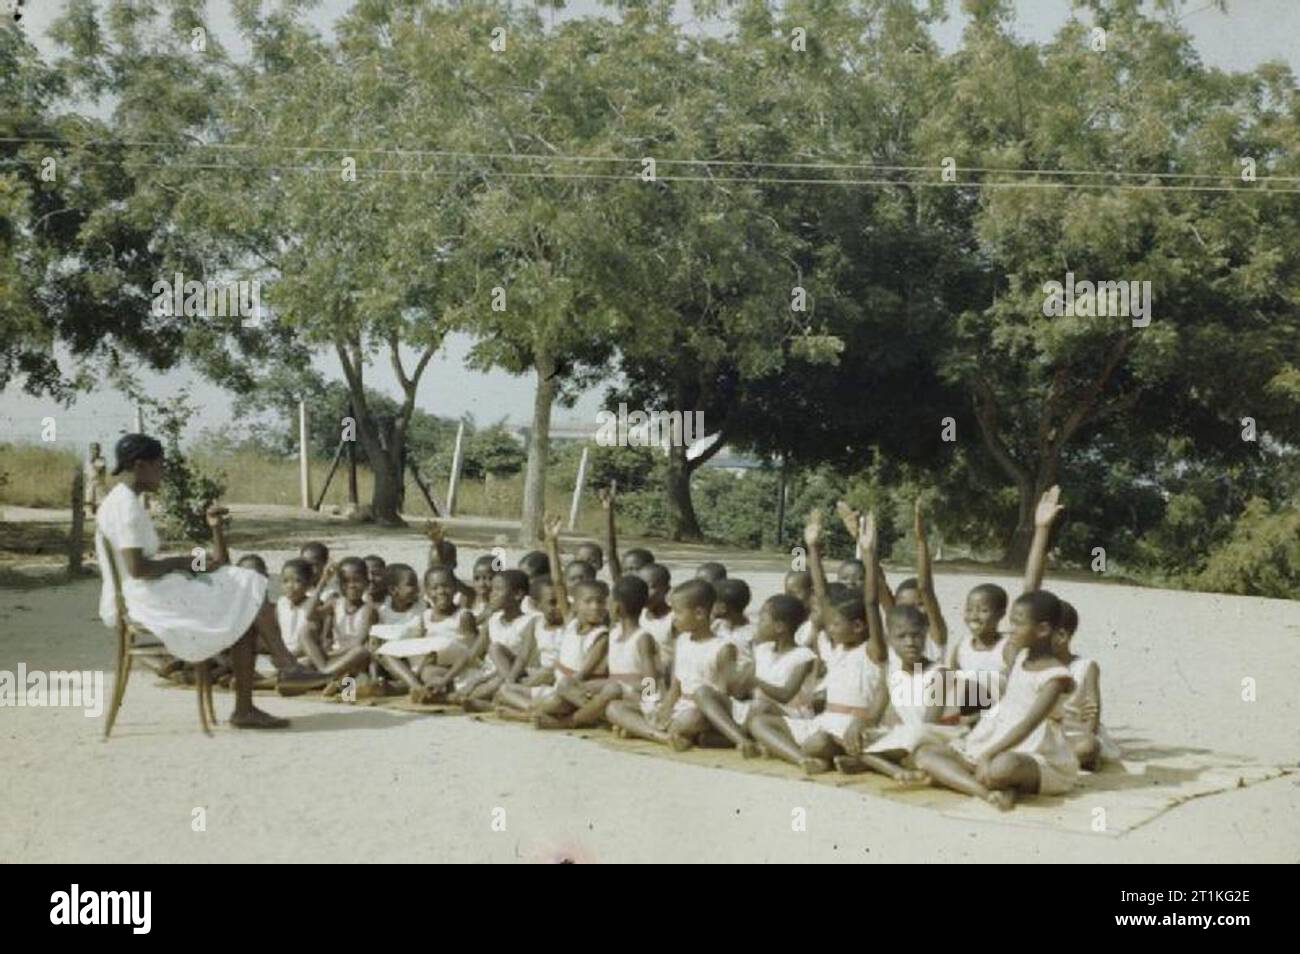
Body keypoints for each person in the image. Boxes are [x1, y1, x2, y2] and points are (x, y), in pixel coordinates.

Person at [94, 434, 325, 729]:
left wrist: (202, 549)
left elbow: (175, 563)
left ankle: (256, 697)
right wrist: (183, 563)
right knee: (245, 589)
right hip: (145, 599)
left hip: (154, 587)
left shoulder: (125, 501)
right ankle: (283, 667)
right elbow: (138, 568)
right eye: (159, 466)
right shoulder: (124, 506)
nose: (162, 472)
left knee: (243, 587)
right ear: (140, 465)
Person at [84, 442, 109, 516]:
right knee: (89, 500)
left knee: (100, 501)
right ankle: (89, 513)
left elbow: (99, 470)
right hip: (90, 483)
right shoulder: (87, 461)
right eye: (93, 449)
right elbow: (86, 473)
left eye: (96, 449)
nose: (95, 451)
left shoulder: (101, 460)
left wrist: (93, 462)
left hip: (99, 483)